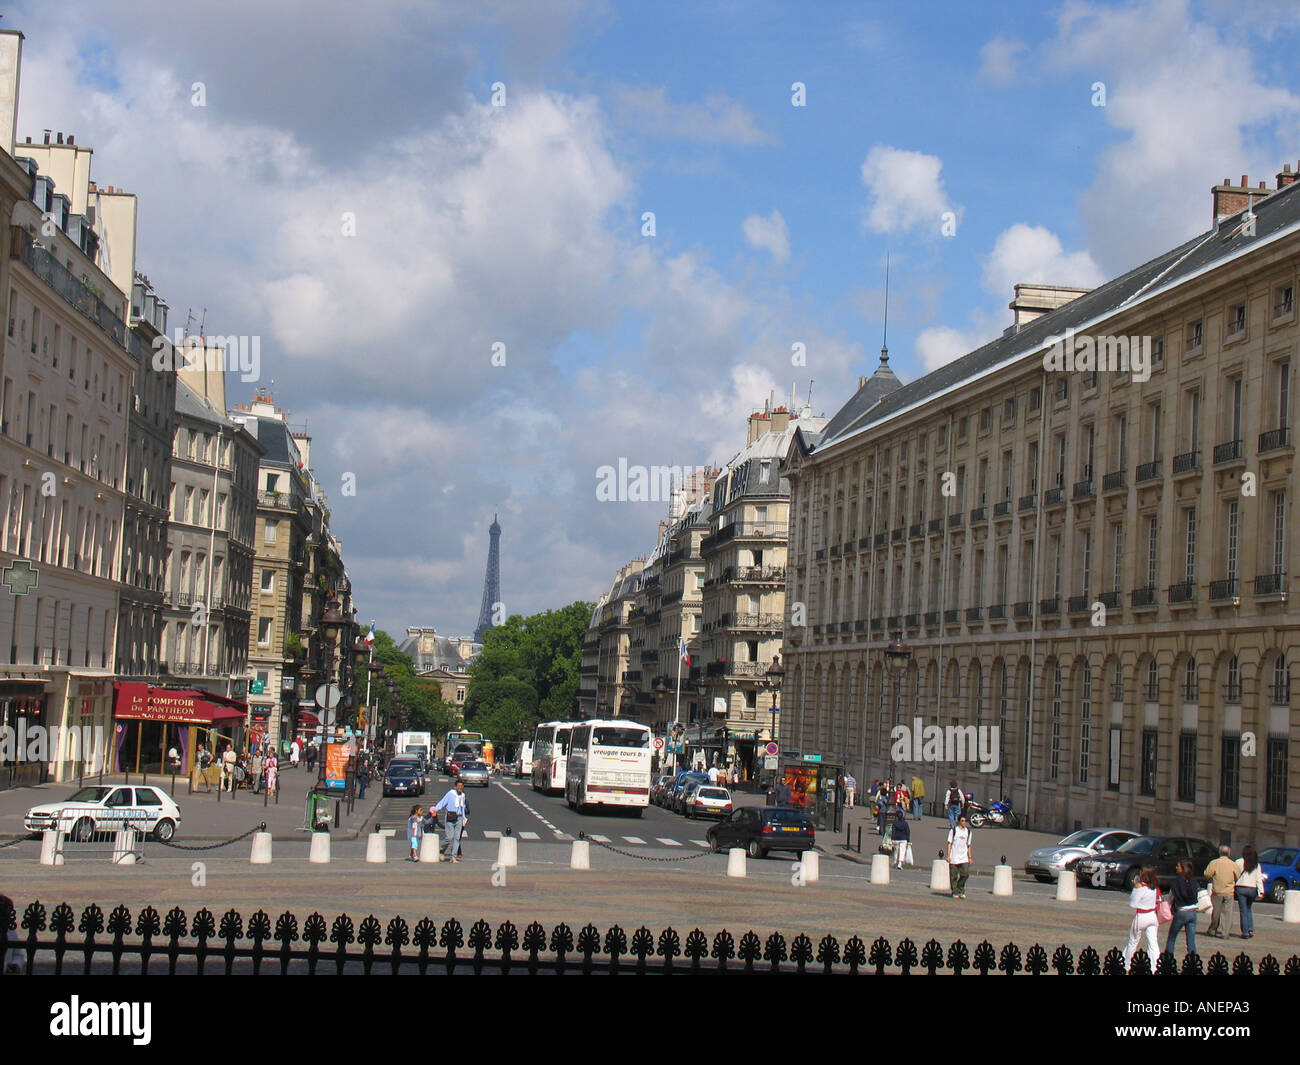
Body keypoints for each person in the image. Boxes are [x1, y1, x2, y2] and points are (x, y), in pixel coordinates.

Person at [1122, 866, 1162, 971]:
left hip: (1141, 916)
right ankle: (1155, 966)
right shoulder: (1155, 887)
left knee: (1133, 941)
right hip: (1152, 916)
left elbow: (1133, 904)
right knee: (1153, 942)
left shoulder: (1140, 887)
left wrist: (1135, 887)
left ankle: (1127, 964)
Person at [1166, 859, 1199, 957]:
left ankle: (1169, 959)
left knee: (1172, 937)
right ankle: (1193, 960)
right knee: (1191, 939)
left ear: (1182, 869)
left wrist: (1168, 909)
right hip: (1193, 912)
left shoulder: (1176, 882)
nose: (1176, 867)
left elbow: (1170, 898)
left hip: (1181, 912)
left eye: (1178, 866)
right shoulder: (1193, 880)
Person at [1203, 845, 1238, 938]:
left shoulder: (1214, 863)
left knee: (1216, 912)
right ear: (1229, 853)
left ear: (1219, 853)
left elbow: (1207, 874)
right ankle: (1225, 933)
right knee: (1228, 914)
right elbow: (1238, 875)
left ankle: (1213, 929)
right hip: (1229, 892)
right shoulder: (1233, 864)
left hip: (1217, 891)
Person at [434, 779, 469, 862]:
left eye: (462, 786)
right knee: (449, 837)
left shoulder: (463, 795)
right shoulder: (450, 794)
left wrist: (464, 818)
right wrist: (436, 809)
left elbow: (462, 808)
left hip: (459, 818)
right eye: (459, 786)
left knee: (457, 838)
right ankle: (441, 850)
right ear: (455, 787)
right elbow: (443, 802)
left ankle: (453, 856)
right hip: (450, 816)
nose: (460, 788)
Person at [1235, 845, 1265, 939]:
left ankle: (1245, 932)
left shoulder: (1239, 862)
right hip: (1252, 888)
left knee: (1243, 910)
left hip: (1241, 887)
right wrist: (1261, 891)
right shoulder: (1256, 864)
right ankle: (1250, 929)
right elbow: (1259, 879)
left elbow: (1235, 874)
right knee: (1249, 909)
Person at [946, 814, 973, 898]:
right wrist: (948, 855)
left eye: (965, 821)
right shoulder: (954, 830)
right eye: (962, 821)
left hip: (963, 857)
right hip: (954, 856)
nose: (964, 822)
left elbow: (969, 845)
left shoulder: (968, 832)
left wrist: (970, 857)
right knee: (953, 876)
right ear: (958, 821)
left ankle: (960, 888)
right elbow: (949, 843)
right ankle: (955, 891)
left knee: (965, 874)